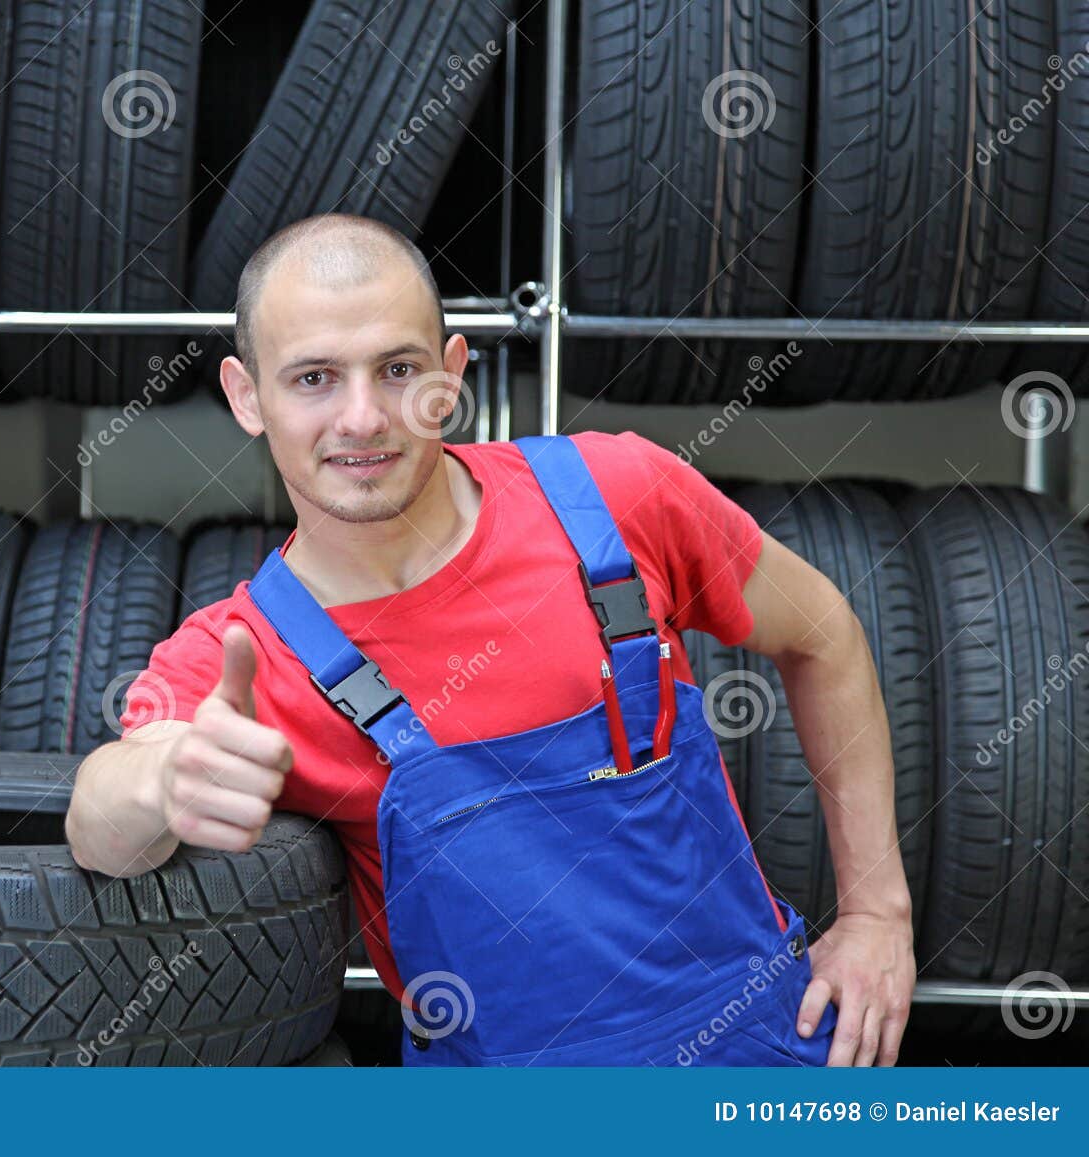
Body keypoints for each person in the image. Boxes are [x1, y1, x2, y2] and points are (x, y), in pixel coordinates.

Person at [65, 213, 915, 1067]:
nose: (362, 418)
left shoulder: (613, 498)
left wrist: (879, 915)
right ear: (247, 397)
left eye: (398, 370)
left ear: (452, 374)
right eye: (314, 378)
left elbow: (825, 635)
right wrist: (163, 781)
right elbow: (98, 820)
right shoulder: (245, 656)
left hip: (760, 1057)